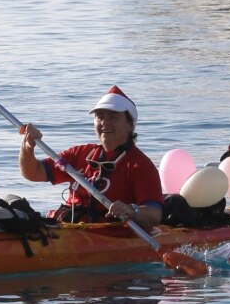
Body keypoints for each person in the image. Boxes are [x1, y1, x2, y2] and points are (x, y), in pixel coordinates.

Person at [18, 86, 163, 230]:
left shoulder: (141, 165)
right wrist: (27, 147)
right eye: (99, 117)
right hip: (67, 229)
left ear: (130, 125)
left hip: (107, 236)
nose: (105, 122)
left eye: (113, 117)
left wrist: (131, 210)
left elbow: (154, 214)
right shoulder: (80, 153)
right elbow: (33, 172)